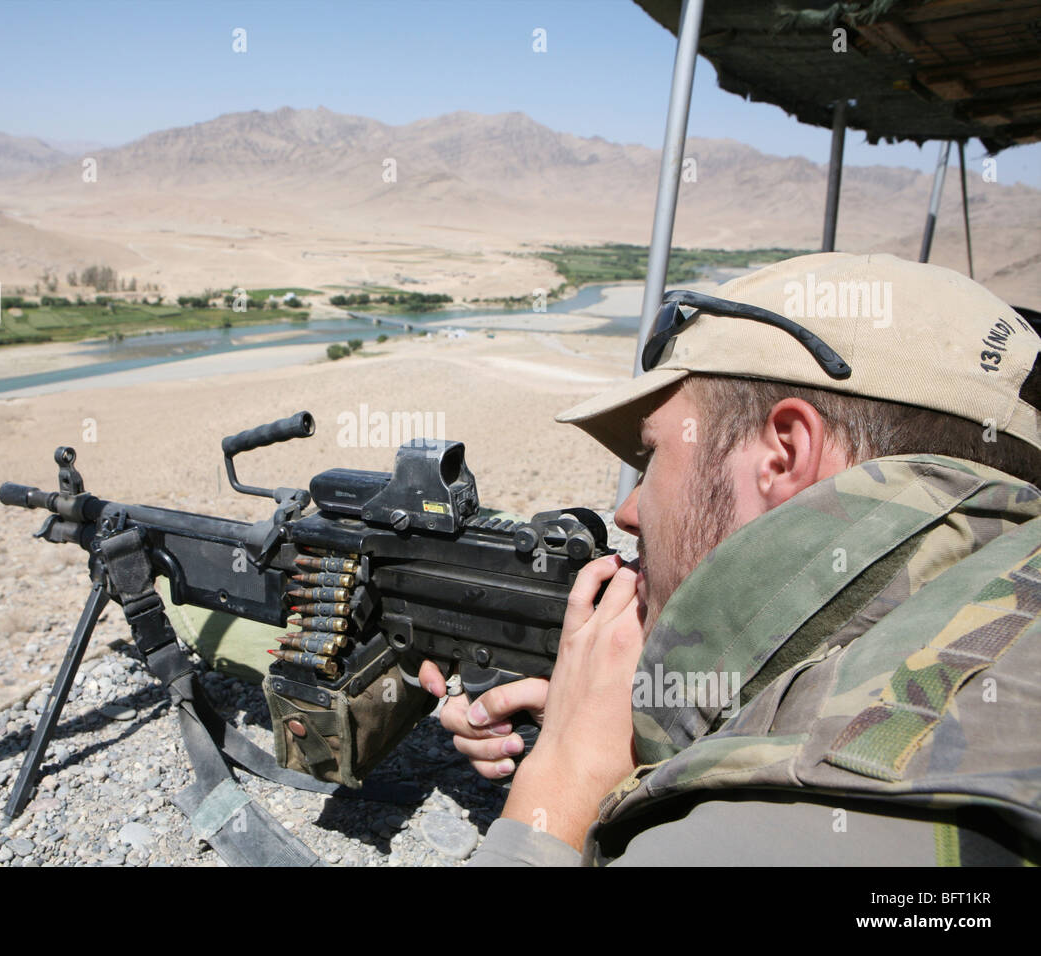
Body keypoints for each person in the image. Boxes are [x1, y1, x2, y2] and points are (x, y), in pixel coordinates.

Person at [419, 252, 1041, 865]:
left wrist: (564, 781)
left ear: (783, 456)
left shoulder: (771, 823)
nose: (630, 510)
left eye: (651, 455)